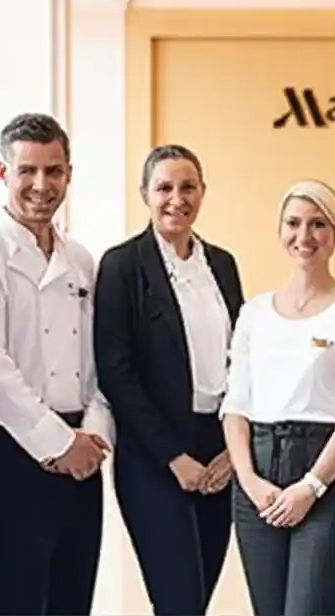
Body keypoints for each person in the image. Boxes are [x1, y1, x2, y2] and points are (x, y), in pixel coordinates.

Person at [0, 113, 114, 615]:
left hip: (82, 457)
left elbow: (99, 358)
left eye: (54, 171)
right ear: (3, 173)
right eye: (28, 171)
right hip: (6, 454)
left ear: (68, 174)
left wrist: (94, 434)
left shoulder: (81, 259)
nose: (42, 185)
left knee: (71, 602)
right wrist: (59, 445)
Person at [221, 180, 335, 616]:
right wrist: (250, 482)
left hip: (328, 480)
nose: (305, 236)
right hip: (258, 478)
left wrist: (310, 487)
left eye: (318, 224)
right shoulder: (253, 312)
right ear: (280, 231)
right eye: (294, 223)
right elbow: (235, 406)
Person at [94, 145, 244, 614]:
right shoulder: (121, 266)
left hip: (217, 447)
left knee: (198, 600)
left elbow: (242, 358)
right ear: (145, 194)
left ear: (202, 193)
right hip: (153, 456)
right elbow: (117, 373)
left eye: (187, 187)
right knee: (178, 601)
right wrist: (173, 457)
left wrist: (230, 451)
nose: (176, 199)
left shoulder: (222, 264)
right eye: (164, 188)